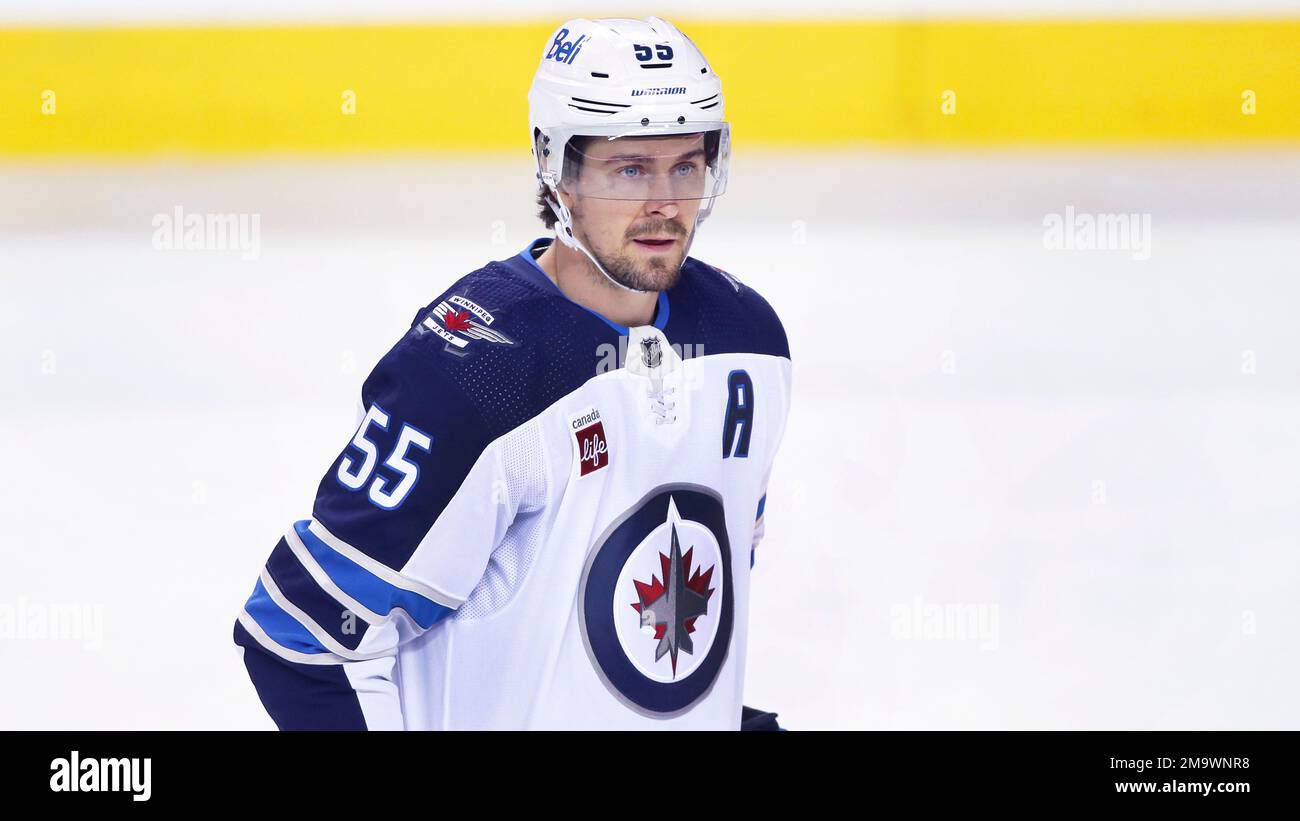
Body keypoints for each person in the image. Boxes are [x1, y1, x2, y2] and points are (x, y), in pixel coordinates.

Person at [233, 16, 792, 729]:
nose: (665, 204)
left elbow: (690, 614)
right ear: (560, 172)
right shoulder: (470, 376)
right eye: (631, 169)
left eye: (686, 164)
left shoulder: (749, 343)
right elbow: (299, 641)